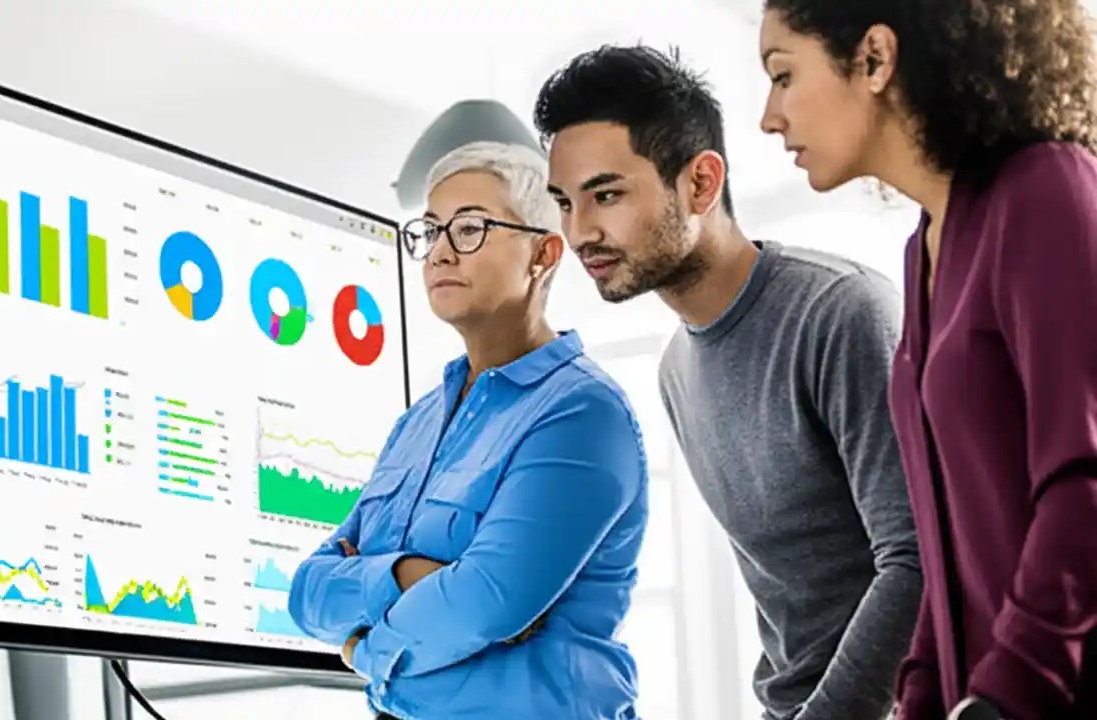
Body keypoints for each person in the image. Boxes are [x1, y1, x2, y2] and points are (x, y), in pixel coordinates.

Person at [535, 45, 923, 720]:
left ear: (701, 183)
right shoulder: (675, 372)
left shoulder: (841, 313)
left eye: (606, 195)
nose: (579, 232)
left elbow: (915, 562)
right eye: (565, 203)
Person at [757, 3, 1097, 719]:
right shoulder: (923, 250)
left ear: (875, 59)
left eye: (783, 75)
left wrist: (1007, 693)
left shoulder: (1045, 192)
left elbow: (1085, 481)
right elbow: (945, 552)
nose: (769, 116)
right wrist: (920, 699)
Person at [286, 140, 649, 720]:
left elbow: (486, 603)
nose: (440, 254)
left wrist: (364, 649)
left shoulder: (582, 414)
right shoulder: (416, 423)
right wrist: (407, 574)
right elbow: (307, 593)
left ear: (543, 255)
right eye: (430, 231)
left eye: (471, 228)